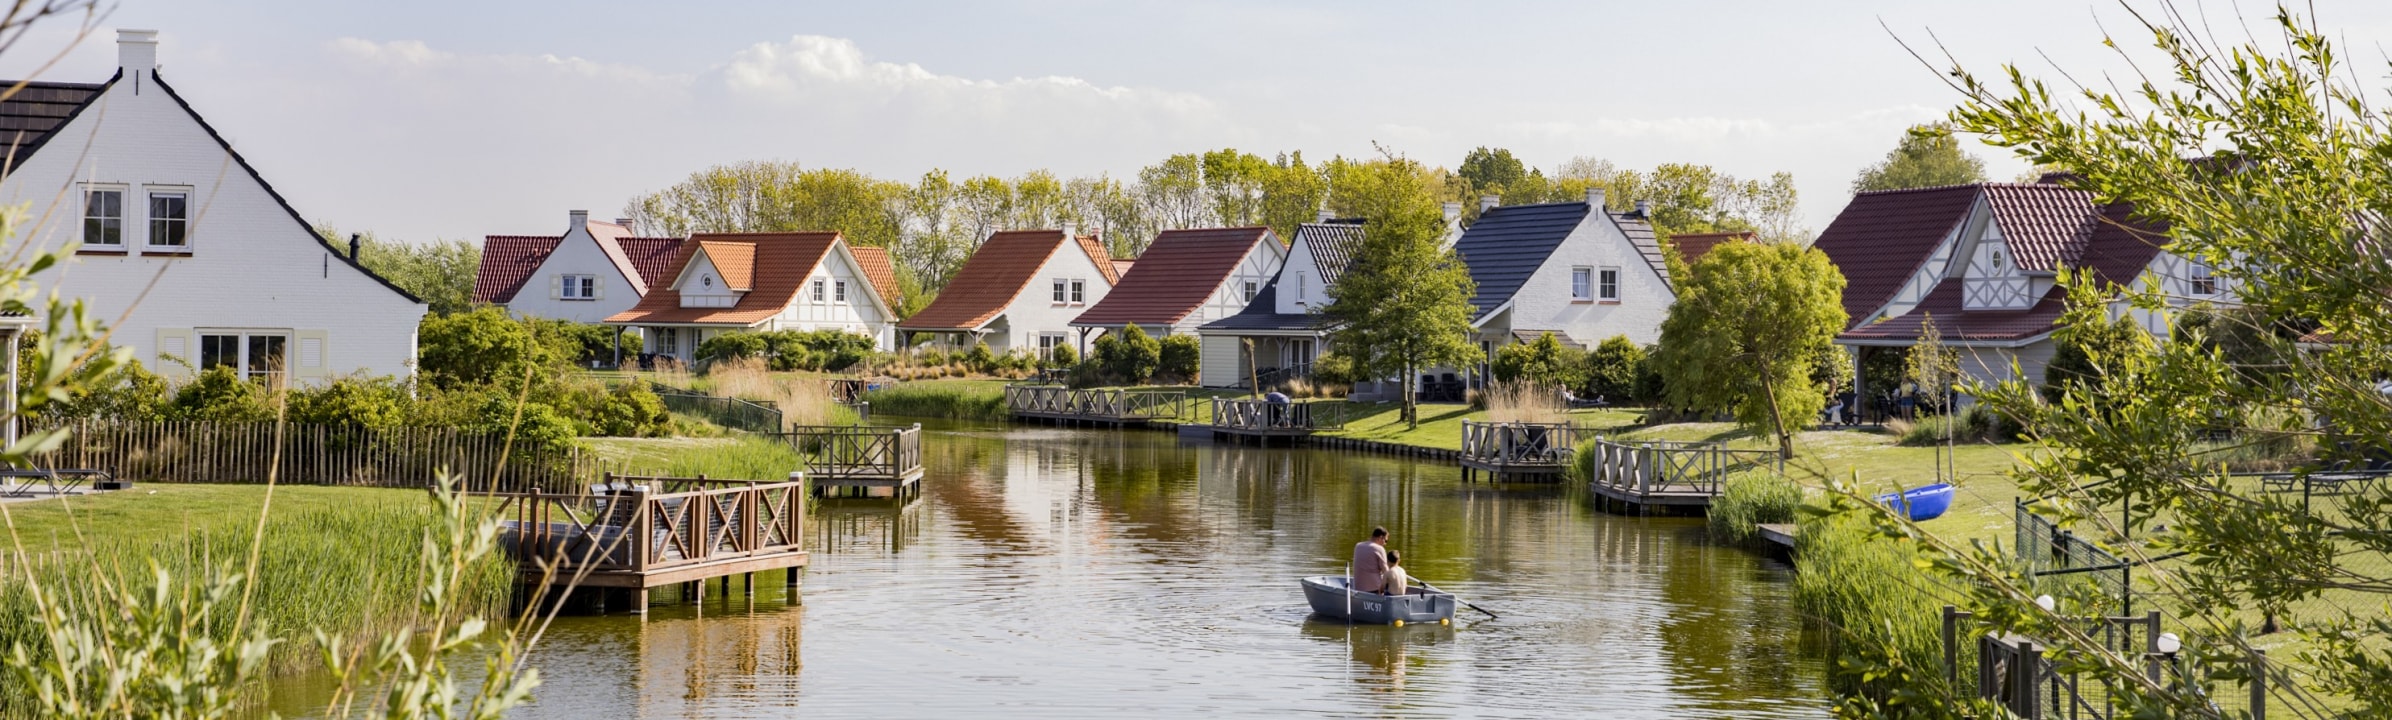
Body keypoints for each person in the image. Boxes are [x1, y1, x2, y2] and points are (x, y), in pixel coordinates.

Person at [1351, 526, 1390, 594]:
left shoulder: (1358, 546)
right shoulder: (1379, 549)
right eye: (1385, 541)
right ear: (1381, 538)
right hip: (1374, 589)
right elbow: (1386, 572)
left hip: (1358, 587)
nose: (1385, 544)